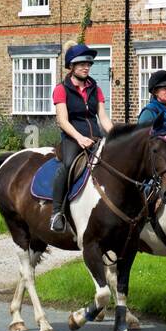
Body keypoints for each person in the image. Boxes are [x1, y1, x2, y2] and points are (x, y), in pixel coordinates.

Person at [49, 43, 113, 233]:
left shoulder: (96, 88)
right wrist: (80, 138)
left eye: (88, 64)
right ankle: (56, 213)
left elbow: (103, 118)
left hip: (97, 138)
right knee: (67, 166)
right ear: (71, 66)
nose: (86, 67)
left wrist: (116, 135)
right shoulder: (61, 89)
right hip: (73, 138)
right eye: (81, 64)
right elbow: (62, 121)